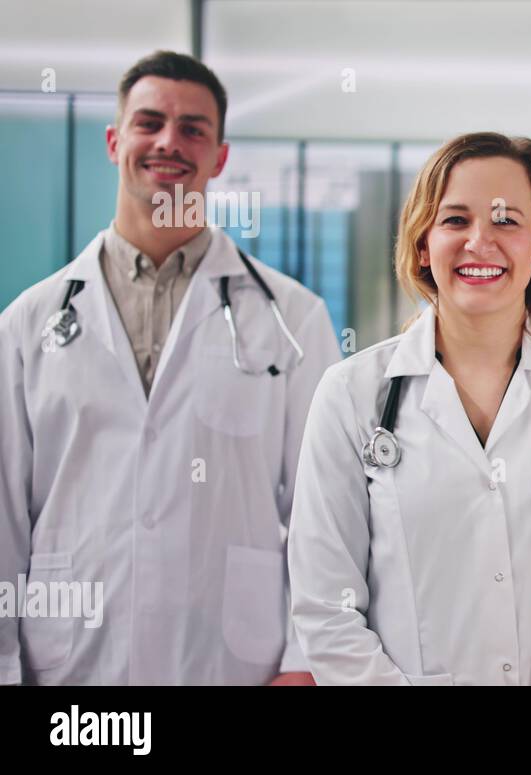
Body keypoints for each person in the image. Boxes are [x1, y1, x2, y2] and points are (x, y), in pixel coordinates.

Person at [0, 50, 339, 685]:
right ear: (114, 141)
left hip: (233, 661)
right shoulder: (27, 323)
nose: (168, 142)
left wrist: (305, 662)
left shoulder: (295, 317)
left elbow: (326, 512)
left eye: (193, 129)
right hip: (71, 666)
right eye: (148, 122)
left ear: (220, 157)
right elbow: (3, 515)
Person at [288, 132, 531, 685]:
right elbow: (327, 608)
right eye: (455, 220)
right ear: (423, 245)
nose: (479, 242)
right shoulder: (351, 395)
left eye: (506, 220)